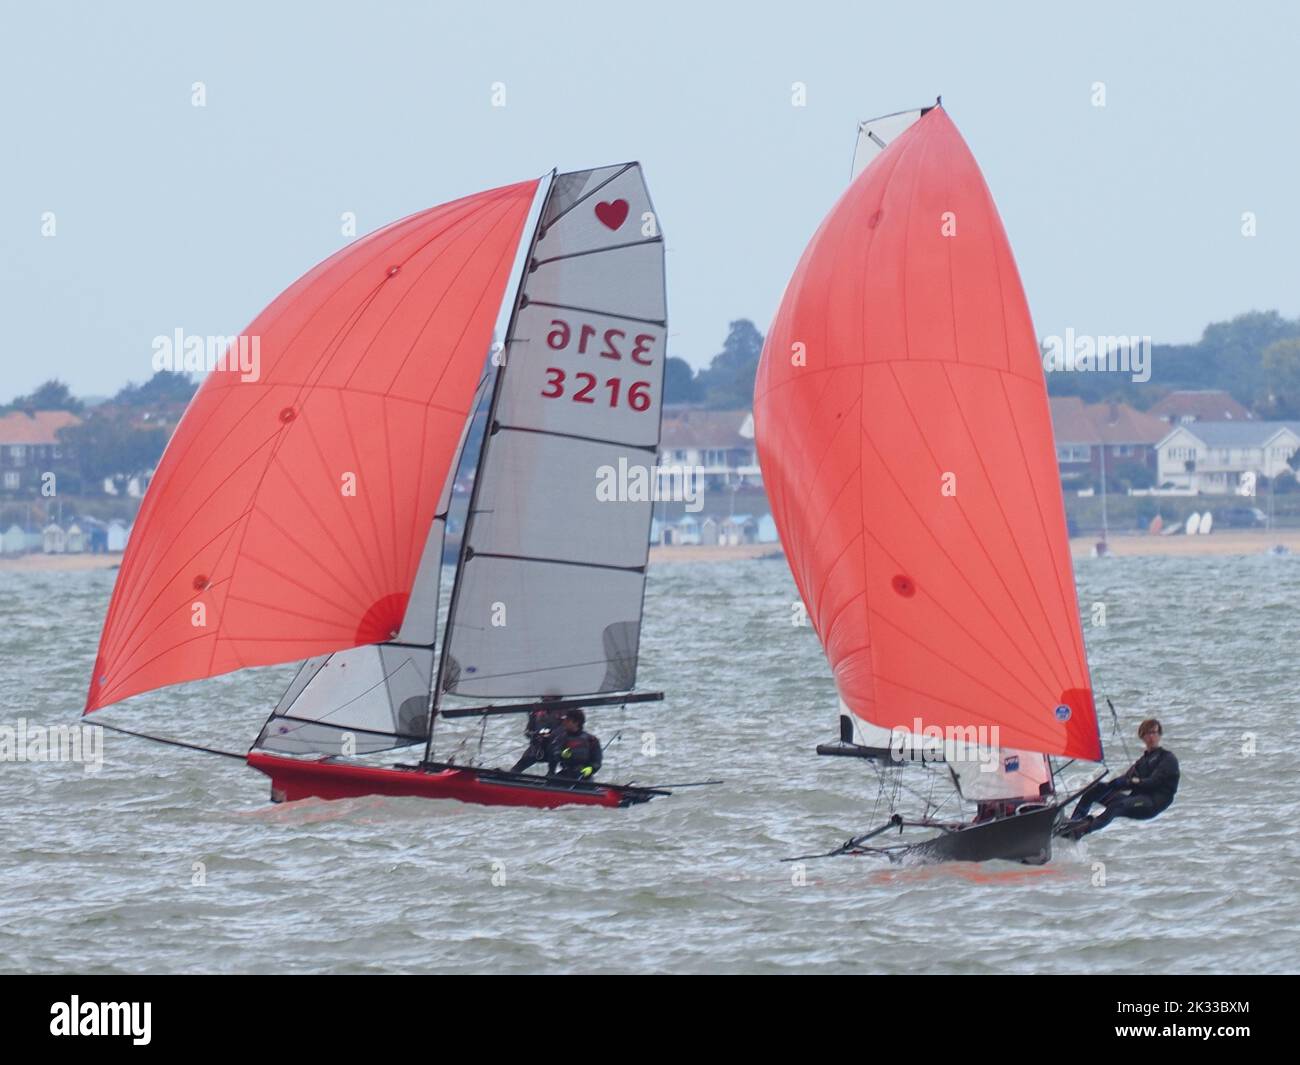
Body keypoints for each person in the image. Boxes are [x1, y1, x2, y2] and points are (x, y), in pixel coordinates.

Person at [1058, 718, 1179, 839]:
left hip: (1152, 804)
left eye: (1155, 733)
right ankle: (1072, 822)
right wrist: (1111, 784)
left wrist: (1130, 781)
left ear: (1159, 735)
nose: (1152, 737)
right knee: (1094, 791)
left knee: (1116, 806)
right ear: (1142, 736)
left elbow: (1153, 782)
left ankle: (1079, 831)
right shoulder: (1142, 761)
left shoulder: (1167, 758)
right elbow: (1126, 780)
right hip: (1137, 799)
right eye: (1148, 733)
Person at [509, 696, 564, 775]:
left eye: (549, 697)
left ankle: (552, 777)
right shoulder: (536, 710)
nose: (545, 699)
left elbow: (564, 730)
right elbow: (528, 730)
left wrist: (549, 734)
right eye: (544, 697)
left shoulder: (565, 710)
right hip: (537, 748)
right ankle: (509, 780)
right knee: (515, 770)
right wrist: (532, 734)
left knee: (554, 767)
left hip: (554, 749)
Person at [554, 709, 603, 781]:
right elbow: (554, 753)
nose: (564, 723)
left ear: (576, 723)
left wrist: (591, 769)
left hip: (584, 777)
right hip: (566, 774)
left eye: (567, 720)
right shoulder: (561, 738)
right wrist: (562, 754)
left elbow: (597, 761)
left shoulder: (591, 740)